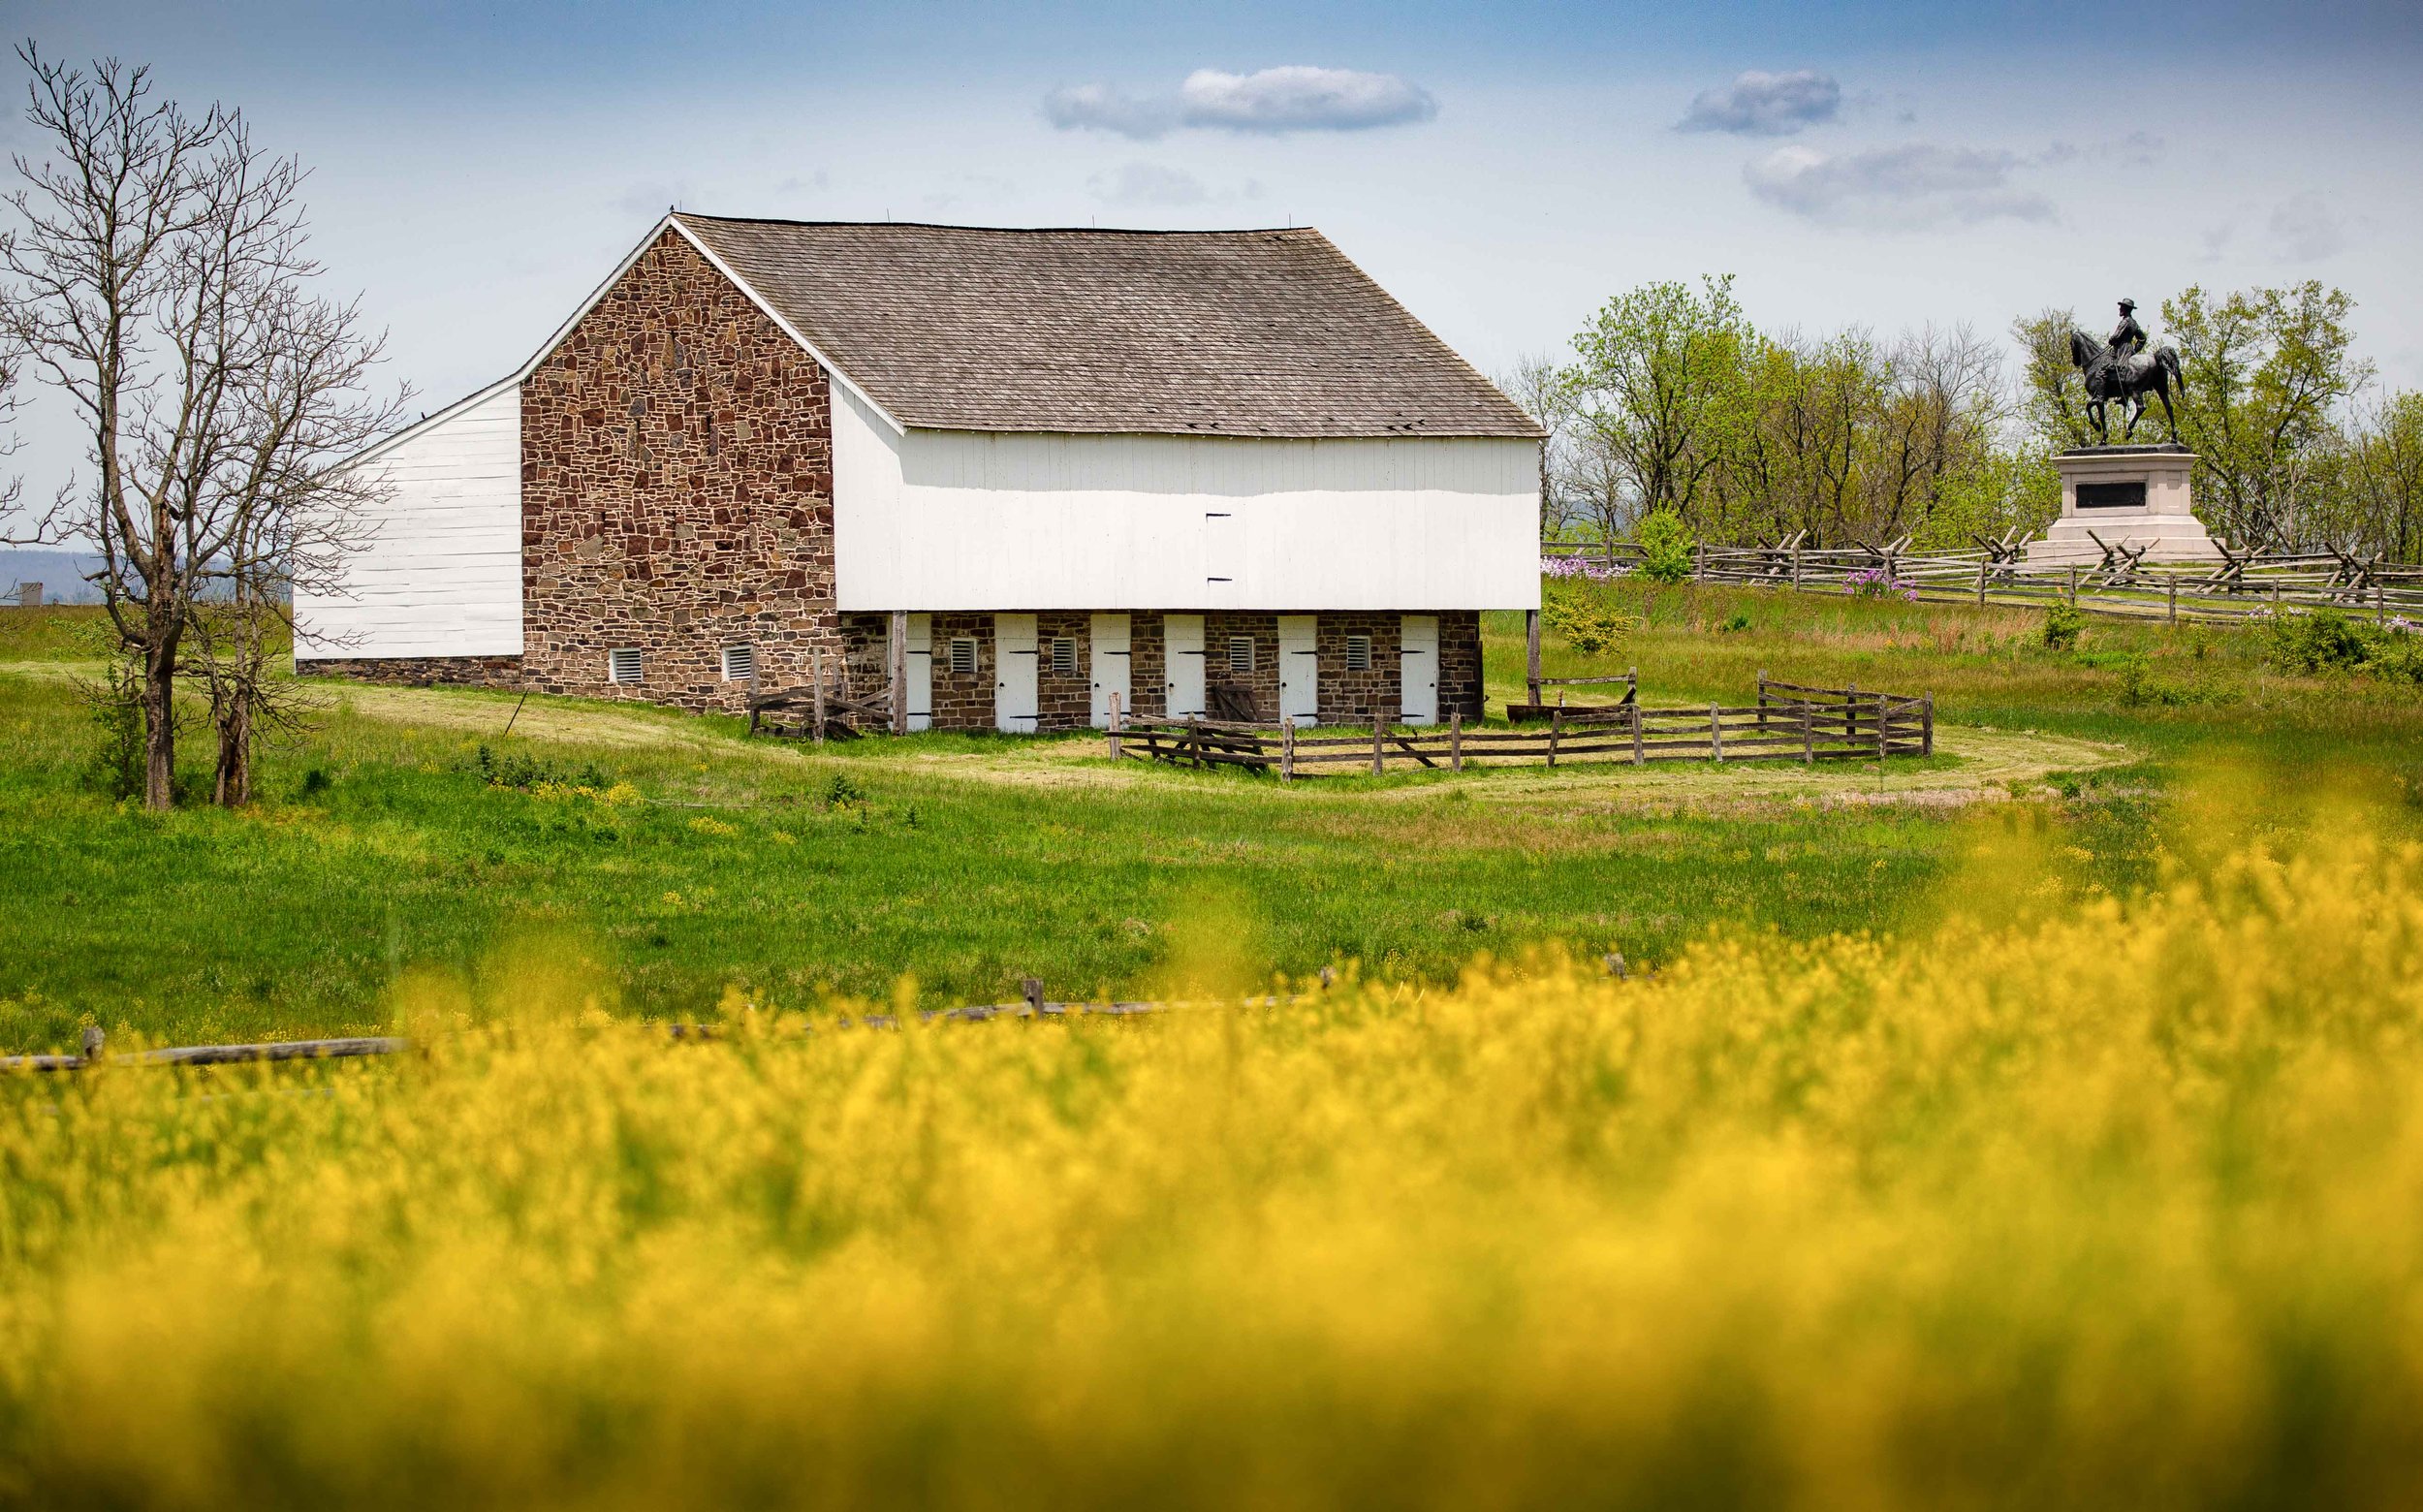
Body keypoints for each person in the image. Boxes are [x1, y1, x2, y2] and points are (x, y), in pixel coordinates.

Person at [2107, 298, 2148, 367]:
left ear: (2127, 309)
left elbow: (2115, 337)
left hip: (2121, 350)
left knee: (2107, 366)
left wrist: (2111, 340)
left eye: (2122, 307)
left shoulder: (2125, 321)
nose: (2120, 309)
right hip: (2128, 350)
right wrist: (2134, 351)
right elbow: (2143, 338)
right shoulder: (2134, 323)